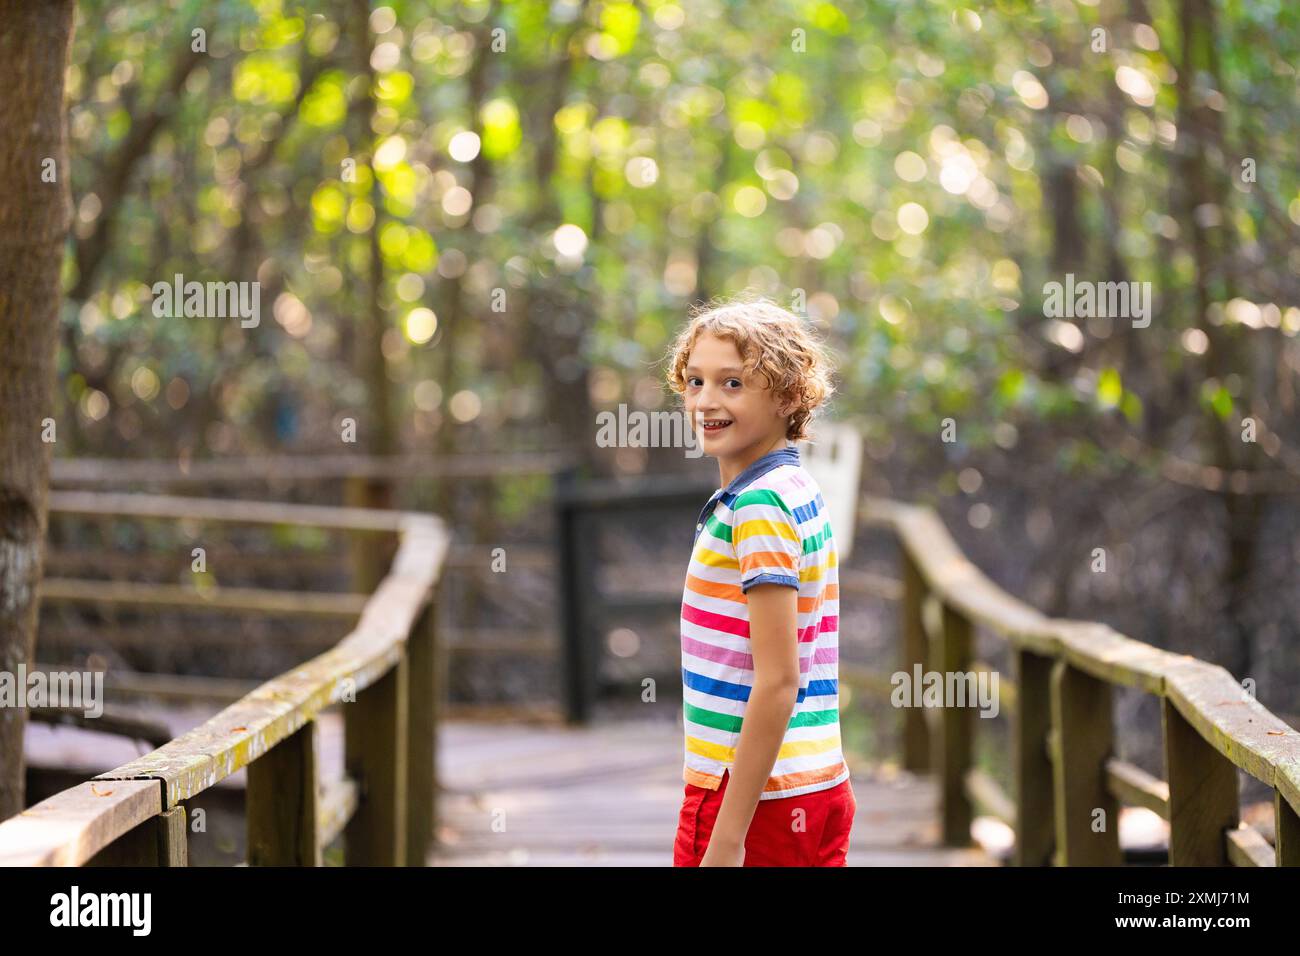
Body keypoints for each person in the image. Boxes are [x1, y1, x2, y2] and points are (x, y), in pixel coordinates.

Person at [663, 293, 855, 867]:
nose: (706, 401)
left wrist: (726, 838)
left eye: (733, 384)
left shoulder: (760, 506)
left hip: (752, 800)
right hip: (816, 783)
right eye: (695, 382)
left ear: (790, 395)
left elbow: (777, 680)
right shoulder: (795, 488)